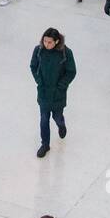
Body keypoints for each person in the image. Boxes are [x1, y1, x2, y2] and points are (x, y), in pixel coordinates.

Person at [30, 28, 77, 158]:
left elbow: (71, 71)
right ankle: (45, 144)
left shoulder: (66, 53)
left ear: (56, 41)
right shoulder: (38, 51)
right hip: (44, 92)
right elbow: (33, 66)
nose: (46, 44)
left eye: (50, 42)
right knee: (44, 119)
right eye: (45, 41)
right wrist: (39, 81)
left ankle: (61, 125)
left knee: (57, 117)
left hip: (58, 94)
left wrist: (61, 86)